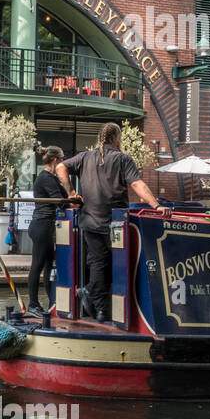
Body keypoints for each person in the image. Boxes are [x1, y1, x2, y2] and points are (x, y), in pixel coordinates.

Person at [56, 123, 169, 322]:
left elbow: (60, 167)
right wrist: (156, 205)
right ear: (116, 137)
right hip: (115, 222)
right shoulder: (122, 159)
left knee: (99, 263)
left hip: (89, 220)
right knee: (117, 264)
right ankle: (105, 304)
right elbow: (136, 184)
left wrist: (71, 193)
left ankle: (99, 307)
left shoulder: (85, 157)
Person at [26, 145, 68, 313]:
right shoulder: (45, 178)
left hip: (47, 226)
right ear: (56, 160)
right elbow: (60, 200)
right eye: (62, 159)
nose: (63, 162)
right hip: (41, 225)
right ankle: (33, 304)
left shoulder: (52, 178)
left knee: (49, 265)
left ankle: (52, 302)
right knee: (37, 264)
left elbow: (65, 196)